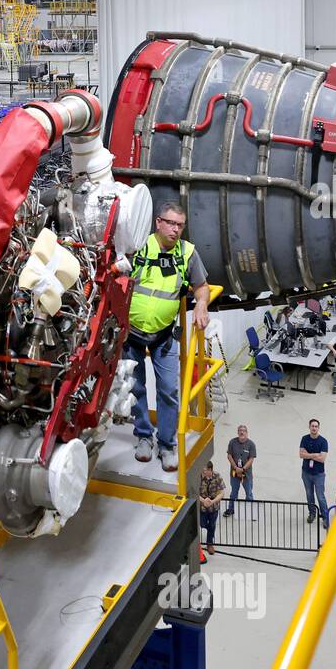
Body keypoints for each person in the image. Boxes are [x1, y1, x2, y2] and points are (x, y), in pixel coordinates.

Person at [124, 201, 211, 472]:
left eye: (180, 225)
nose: (175, 230)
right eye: (171, 223)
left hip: (164, 337)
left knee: (169, 391)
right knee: (135, 387)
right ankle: (143, 437)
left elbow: (202, 287)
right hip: (131, 334)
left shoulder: (187, 253)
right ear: (158, 223)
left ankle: (166, 444)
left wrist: (201, 304)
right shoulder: (138, 247)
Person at [299, 418, 330, 527]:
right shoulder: (304, 439)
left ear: (318, 428)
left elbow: (322, 459)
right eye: (312, 426)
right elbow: (301, 454)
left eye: (316, 426)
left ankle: (326, 517)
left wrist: (308, 454)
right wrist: (314, 455)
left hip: (319, 474)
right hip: (306, 473)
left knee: (320, 496)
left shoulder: (323, 441)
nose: (314, 428)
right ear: (309, 427)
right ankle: (312, 513)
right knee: (309, 494)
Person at [223, 424, 257, 519]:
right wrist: (235, 467)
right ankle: (231, 509)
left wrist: (243, 469)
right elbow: (229, 456)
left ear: (247, 433)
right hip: (234, 474)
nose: (242, 432)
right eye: (240, 430)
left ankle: (250, 511)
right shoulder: (232, 442)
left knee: (249, 493)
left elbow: (251, 459)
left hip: (246, 474)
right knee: (234, 492)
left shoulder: (251, 444)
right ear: (238, 432)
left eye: (244, 431)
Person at [199, 460, 224, 556]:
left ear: (210, 470)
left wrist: (212, 502)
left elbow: (221, 492)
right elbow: (194, 492)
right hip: (202, 507)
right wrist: (203, 501)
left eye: (205, 470)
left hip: (214, 507)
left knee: (212, 524)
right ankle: (211, 531)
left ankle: (210, 544)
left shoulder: (217, 476)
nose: (203, 472)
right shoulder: (199, 477)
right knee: (202, 524)